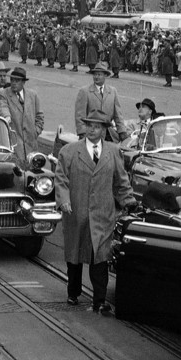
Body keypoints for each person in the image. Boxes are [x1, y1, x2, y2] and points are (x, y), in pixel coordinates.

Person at [55, 112, 134, 314]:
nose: (92, 130)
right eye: (89, 125)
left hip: (103, 215)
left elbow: (121, 182)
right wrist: (64, 201)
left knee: (100, 256)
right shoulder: (69, 151)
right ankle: (73, 292)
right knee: (74, 256)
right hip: (76, 213)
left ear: (104, 130)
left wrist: (129, 202)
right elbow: (61, 179)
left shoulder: (113, 151)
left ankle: (99, 300)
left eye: (97, 127)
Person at [0, 65, 44, 163]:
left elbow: (39, 116)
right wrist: (7, 117)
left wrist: (35, 132)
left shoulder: (33, 95)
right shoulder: (3, 94)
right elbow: (2, 106)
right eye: (12, 80)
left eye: (17, 80)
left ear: (23, 82)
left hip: (31, 148)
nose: (14, 83)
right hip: (14, 148)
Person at [73, 61, 127, 143]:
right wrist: (82, 133)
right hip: (91, 134)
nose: (96, 77)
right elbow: (80, 115)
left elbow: (118, 115)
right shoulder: (85, 91)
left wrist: (122, 131)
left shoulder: (112, 91)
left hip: (108, 134)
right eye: (95, 74)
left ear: (105, 75)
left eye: (99, 74)